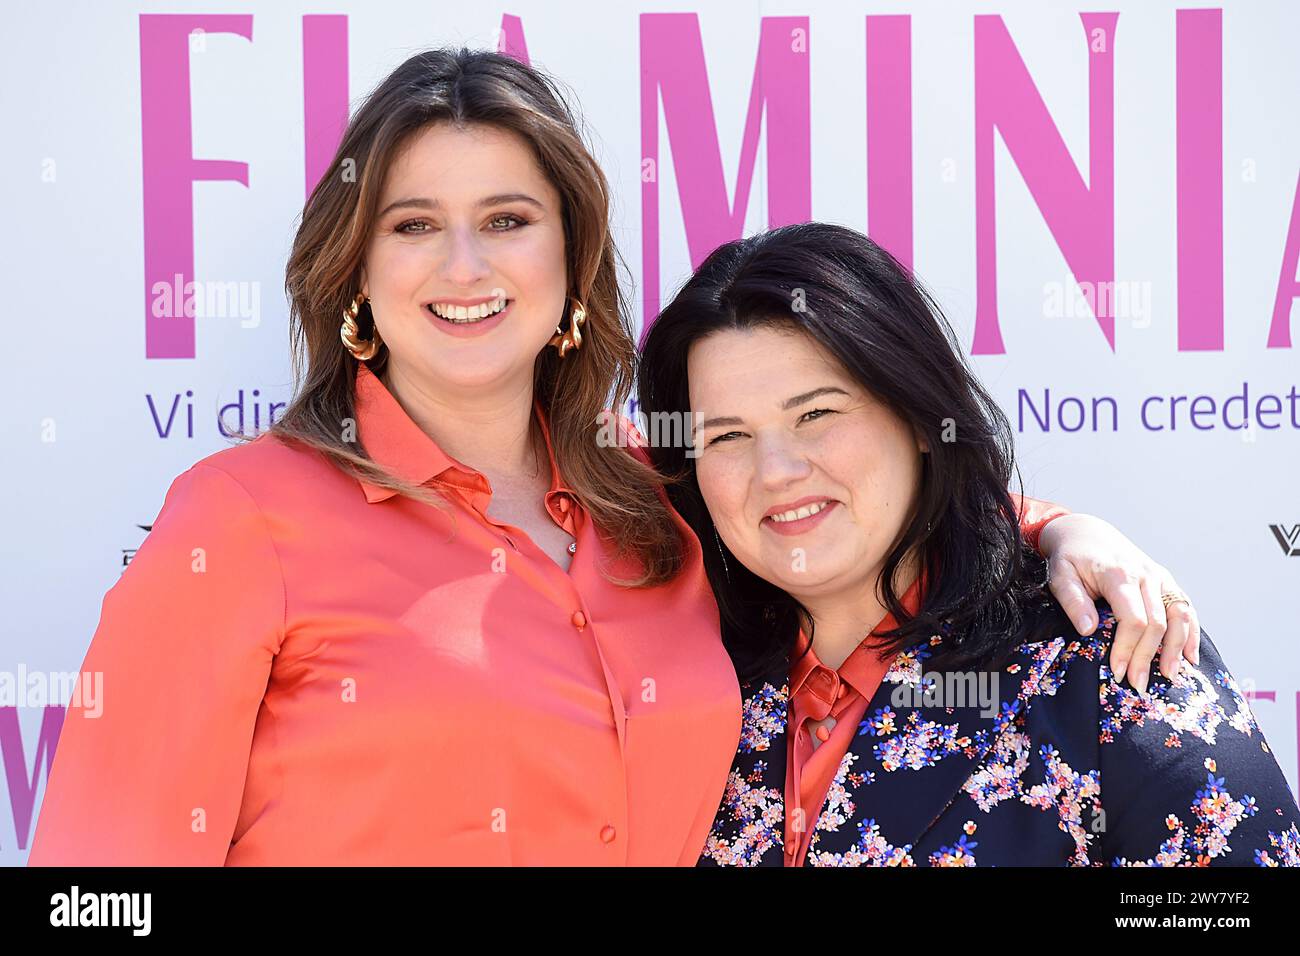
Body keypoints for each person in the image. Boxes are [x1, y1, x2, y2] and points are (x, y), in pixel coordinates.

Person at [30, 50, 1196, 866]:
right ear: (356, 274)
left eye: (506, 217)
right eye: (412, 222)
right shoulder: (241, 517)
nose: (463, 264)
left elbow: (854, 494)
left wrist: (1058, 526)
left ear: (571, 259)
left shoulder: (662, 499)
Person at [638, 221, 1300, 866]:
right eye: (726, 436)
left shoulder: (1104, 660)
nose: (776, 470)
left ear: (920, 418)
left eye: (816, 414)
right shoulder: (691, 686)